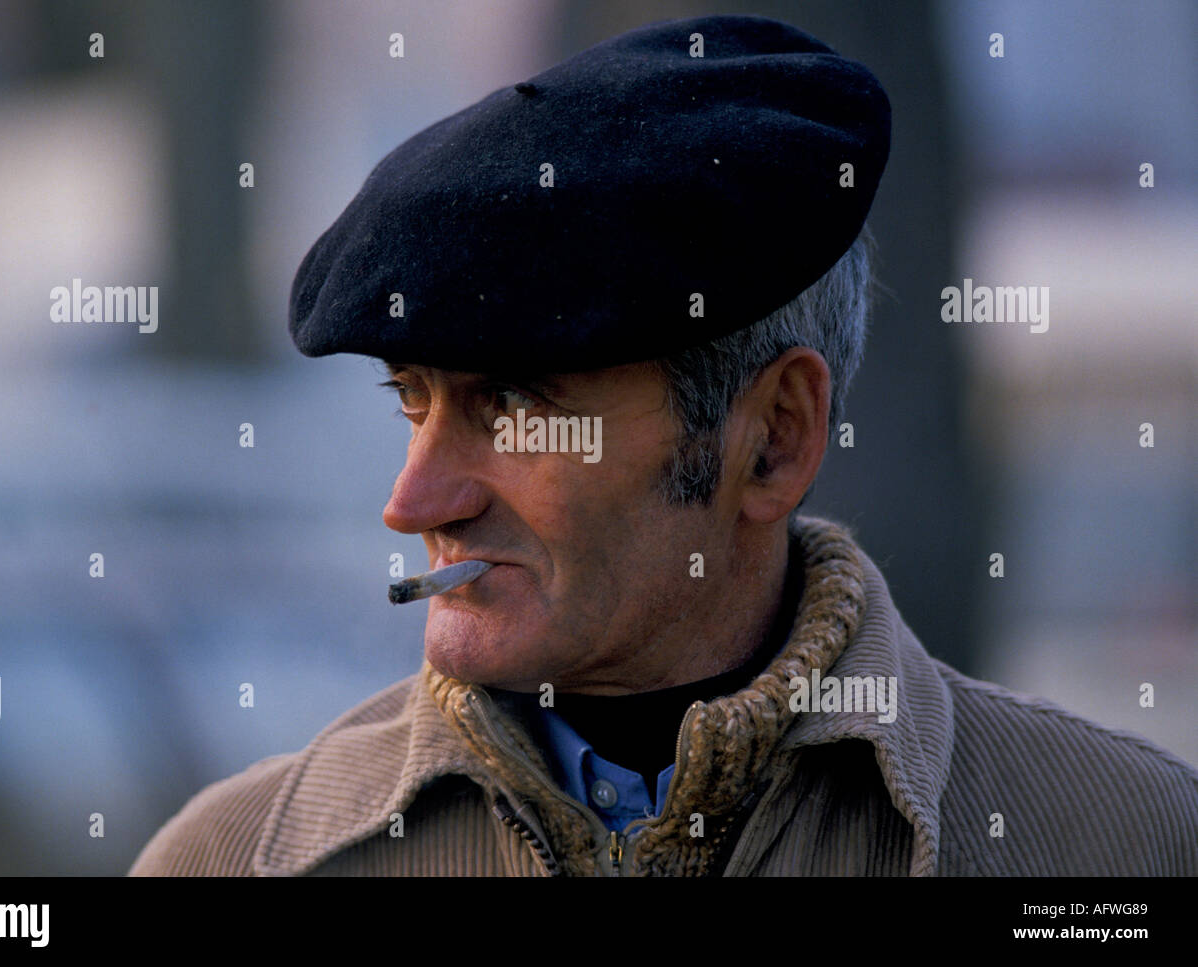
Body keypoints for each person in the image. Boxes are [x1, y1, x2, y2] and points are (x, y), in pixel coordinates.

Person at [129, 14, 1198, 876]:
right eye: (412, 402)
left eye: (512, 409)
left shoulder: (1120, 845)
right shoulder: (245, 859)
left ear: (774, 438)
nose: (413, 502)